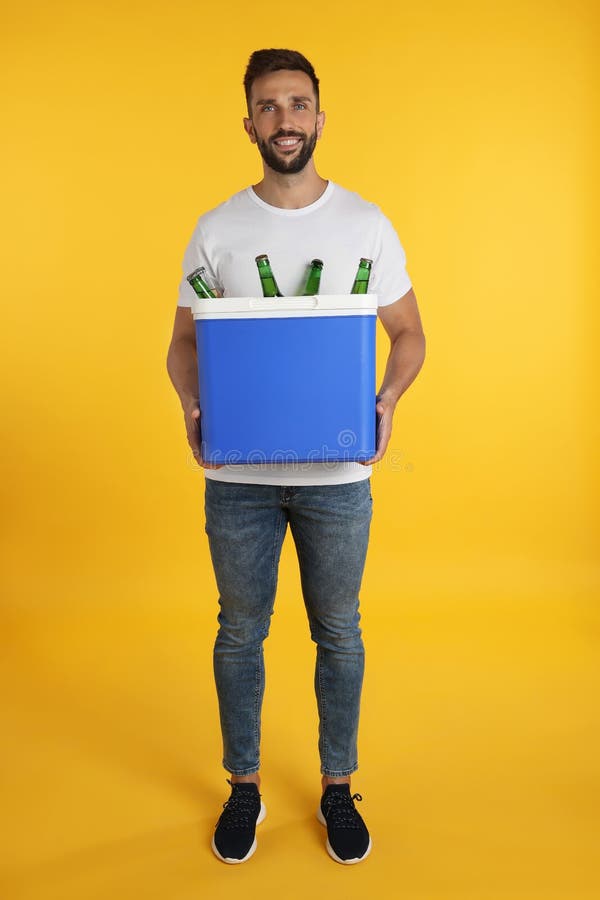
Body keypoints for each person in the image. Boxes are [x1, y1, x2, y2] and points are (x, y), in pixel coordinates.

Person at [167, 48, 425, 866]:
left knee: (338, 632)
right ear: (249, 124)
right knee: (239, 633)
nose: (285, 119)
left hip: (337, 477)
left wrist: (387, 400)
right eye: (269, 106)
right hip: (238, 478)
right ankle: (243, 787)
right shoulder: (217, 229)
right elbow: (182, 343)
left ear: (319, 117)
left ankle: (338, 787)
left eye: (298, 103)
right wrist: (191, 403)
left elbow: (409, 333)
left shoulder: (366, 223)